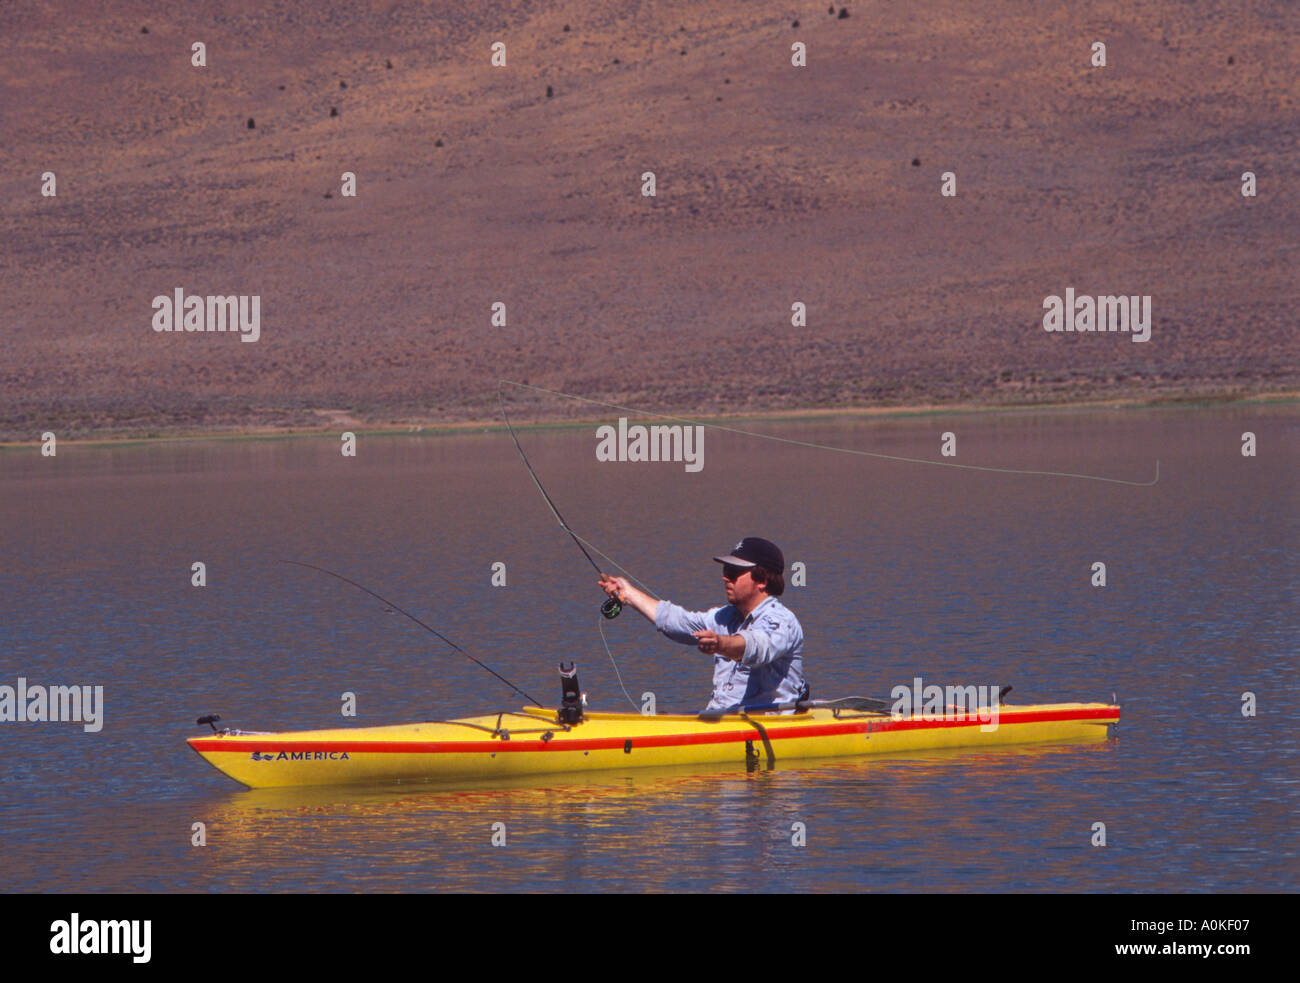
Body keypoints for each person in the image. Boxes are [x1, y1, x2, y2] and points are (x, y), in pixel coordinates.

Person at [598, 537, 807, 712]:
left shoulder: (781, 621)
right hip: (721, 719)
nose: (725, 577)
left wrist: (720, 644)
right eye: (725, 569)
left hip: (769, 724)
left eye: (734, 572)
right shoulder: (724, 616)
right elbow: (677, 622)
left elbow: (758, 647)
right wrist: (628, 594)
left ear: (762, 580)